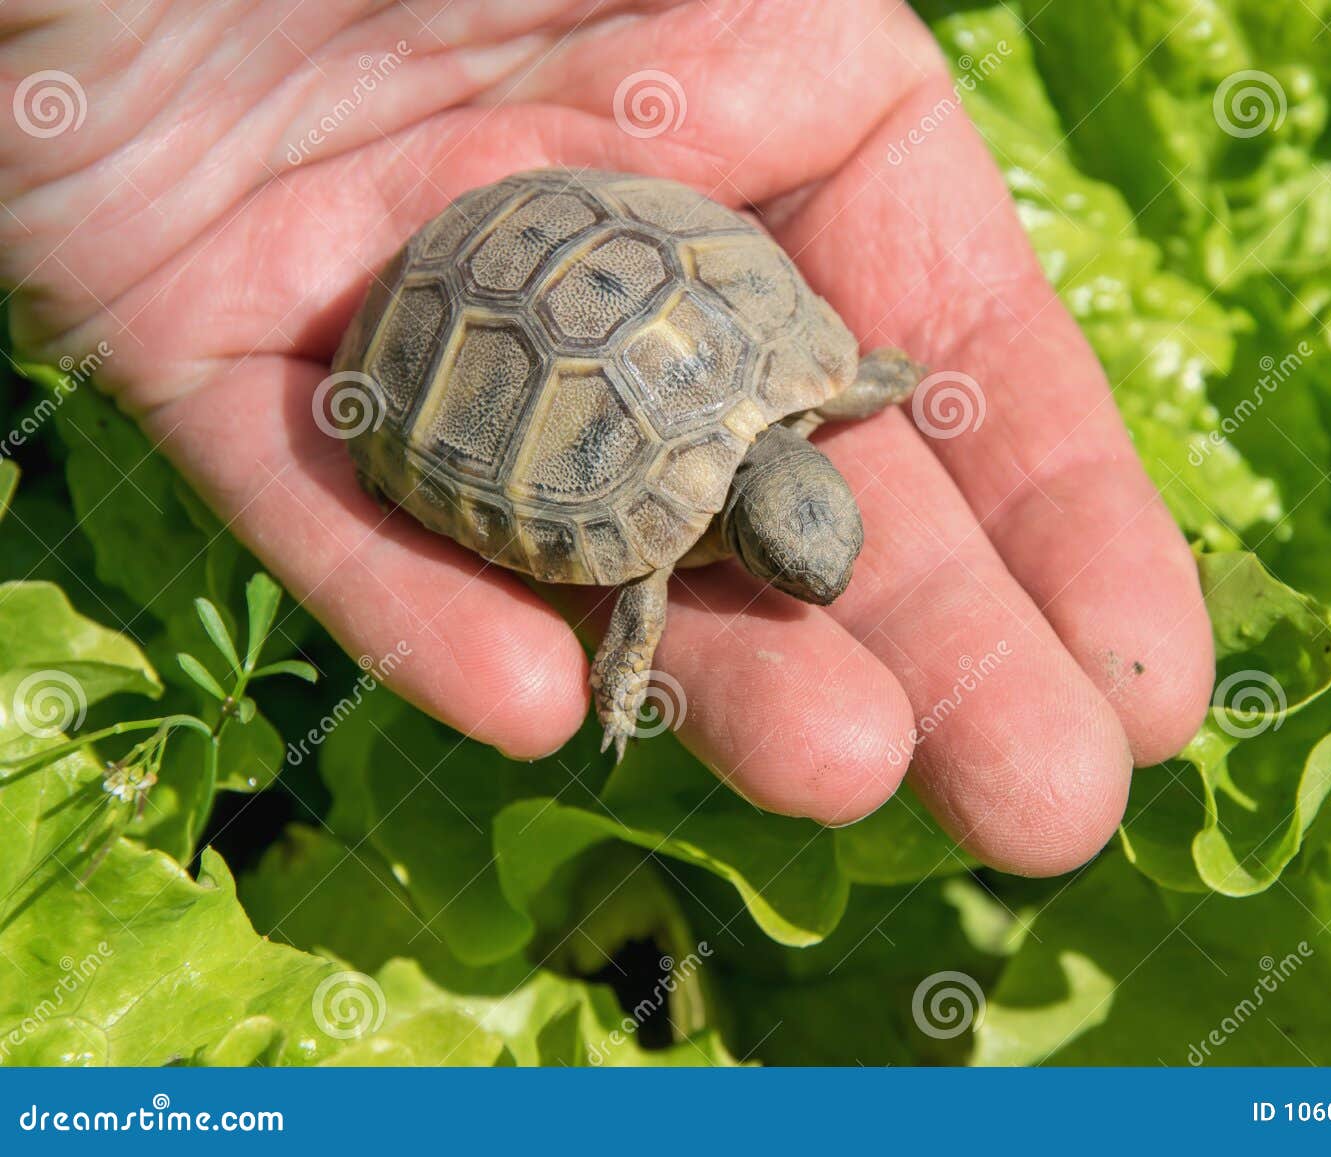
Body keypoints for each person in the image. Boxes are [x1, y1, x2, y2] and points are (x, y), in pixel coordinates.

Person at [0, 0, 1213, 875]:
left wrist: (857, 382)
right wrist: (623, 680)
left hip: (585, 241)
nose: (804, 585)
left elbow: (819, 394)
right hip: (446, 323)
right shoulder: (673, 531)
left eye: (801, 567)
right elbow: (640, 592)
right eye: (790, 567)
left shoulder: (807, 392)